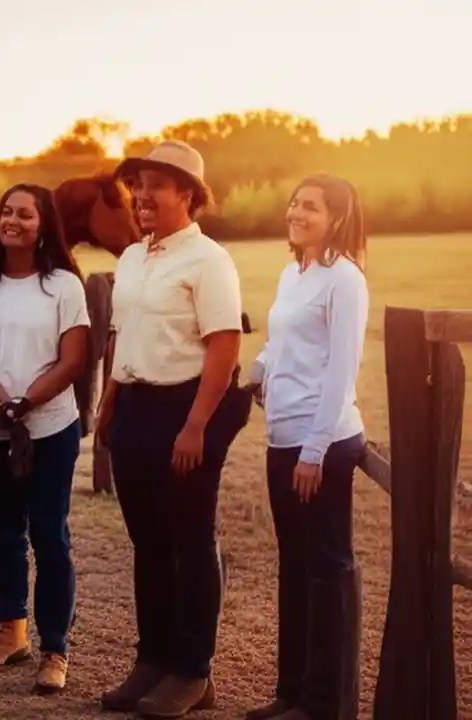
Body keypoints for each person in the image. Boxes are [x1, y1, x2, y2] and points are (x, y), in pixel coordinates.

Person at [96, 139, 250, 717]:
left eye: (155, 186)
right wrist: (110, 402)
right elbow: (122, 336)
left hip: (186, 410)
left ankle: (193, 671)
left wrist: (196, 426)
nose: (141, 195)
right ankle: (153, 661)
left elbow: (224, 344)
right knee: (149, 545)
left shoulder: (208, 260)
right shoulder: (134, 258)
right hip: (134, 406)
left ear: (187, 194)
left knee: (190, 543)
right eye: (136, 185)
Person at [243, 174, 369, 720]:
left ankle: (323, 704)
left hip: (322, 442)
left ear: (337, 218)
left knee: (325, 568)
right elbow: (281, 341)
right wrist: (259, 369)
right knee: (294, 567)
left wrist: (315, 450)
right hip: (282, 436)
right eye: (294, 202)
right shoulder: (293, 272)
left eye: (311, 207)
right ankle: (289, 692)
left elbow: (342, 367)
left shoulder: (345, 279)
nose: (297, 212)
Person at [0, 184, 89, 694]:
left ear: (44, 225)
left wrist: (26, 404)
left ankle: (55, 647)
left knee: (49, 535)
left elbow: (73, 358)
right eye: (7, 212)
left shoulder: (63, 286)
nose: (13, 220)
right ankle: (10, 632)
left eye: (25, 214)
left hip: (50, 427)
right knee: (5, 530)